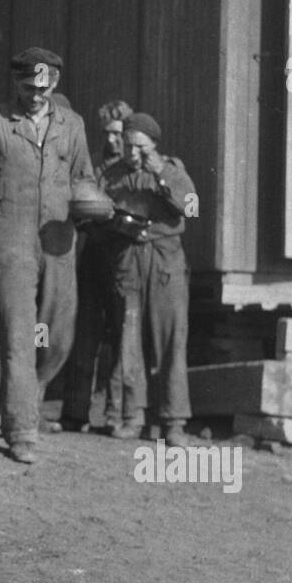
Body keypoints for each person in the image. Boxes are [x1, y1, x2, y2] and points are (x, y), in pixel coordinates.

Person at [0, 49, 92, 463]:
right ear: (15, 83)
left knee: (56, 334)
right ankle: (21, 429)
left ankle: (23, 398)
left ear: (55, 84)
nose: (36, 95)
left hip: (58, 237)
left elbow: (84, 175)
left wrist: (89, 200)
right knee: (18, 334)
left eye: (44, 87)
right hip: (9, 233)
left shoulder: (73, 124)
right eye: (29, 88)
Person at [100, 112, 197, 441]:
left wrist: (162, 173)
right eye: (127, 145)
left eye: (139, 146)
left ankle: (173, 422)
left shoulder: (172, 168)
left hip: (164, 261)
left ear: (154, 145)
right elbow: (95, 213)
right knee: (129, 341)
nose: (132, 152)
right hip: (128, 259)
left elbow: (193, 208)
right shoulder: (112, 175)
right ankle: (133, 416)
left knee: (171, 341)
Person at [62, 99, 133, 433]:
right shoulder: (92, 165)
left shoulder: (134, 168)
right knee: (85, 336)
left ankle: (115, 415)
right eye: (107, 133)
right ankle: (75, 412)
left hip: (122, 259)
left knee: (122, 340)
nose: (112, 140)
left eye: (118, 134)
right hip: (93, 257)